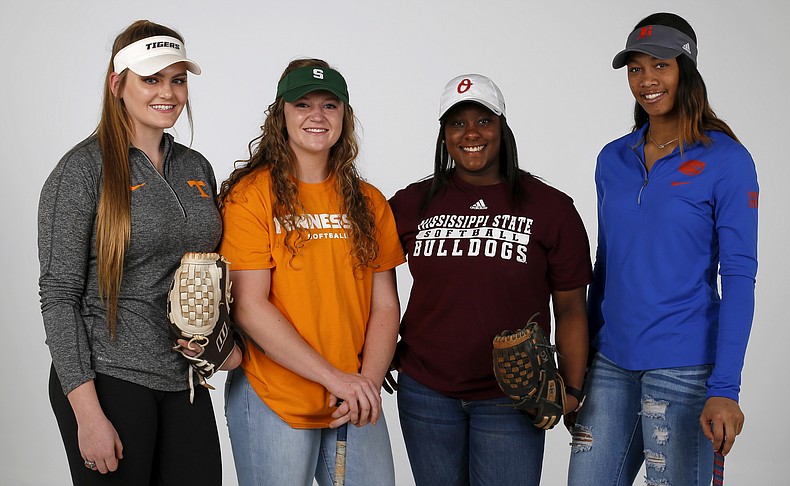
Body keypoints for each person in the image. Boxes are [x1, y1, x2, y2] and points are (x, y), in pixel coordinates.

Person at [38, 20, 240, 485]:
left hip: (185, 380)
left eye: (177, 79)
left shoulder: (195, 166)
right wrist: (87, 414)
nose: (168, 92)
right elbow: (58, 296)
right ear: (117, 84)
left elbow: (207, 271)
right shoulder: (81, 171)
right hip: (109, 378)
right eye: (151, 79)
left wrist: (224, 342)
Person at [567, 12, 759, 486]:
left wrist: (726, 387)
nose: (646, 80)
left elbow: (739, 276)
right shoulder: (613, 158)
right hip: (610, 365)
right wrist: (581, 365)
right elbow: (606, 265)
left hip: (685, 368)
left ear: (685, 70)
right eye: (636, 68)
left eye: (660, 66)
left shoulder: (727, 160)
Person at [388, 74, 592, 485]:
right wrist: (376, 350)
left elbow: (571, 309)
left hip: (513, 396)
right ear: (444, 134)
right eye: (457, 123)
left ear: (503, 128)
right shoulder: (411, 203)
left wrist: (572, 389)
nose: (471, 133)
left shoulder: (551, 208)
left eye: (484, 120)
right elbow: (364, 279)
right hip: (426, 391)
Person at [217, 58, 405, 486]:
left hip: (353, 397)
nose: (317, 115)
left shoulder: (369, 201)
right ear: (280, 115)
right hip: (275, 395)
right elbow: (249, 306)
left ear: (345, 116)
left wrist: (366, 384)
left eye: (329, 105)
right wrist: (336, 379)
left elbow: (385, 305)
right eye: (302, 104)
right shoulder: (251, 196)